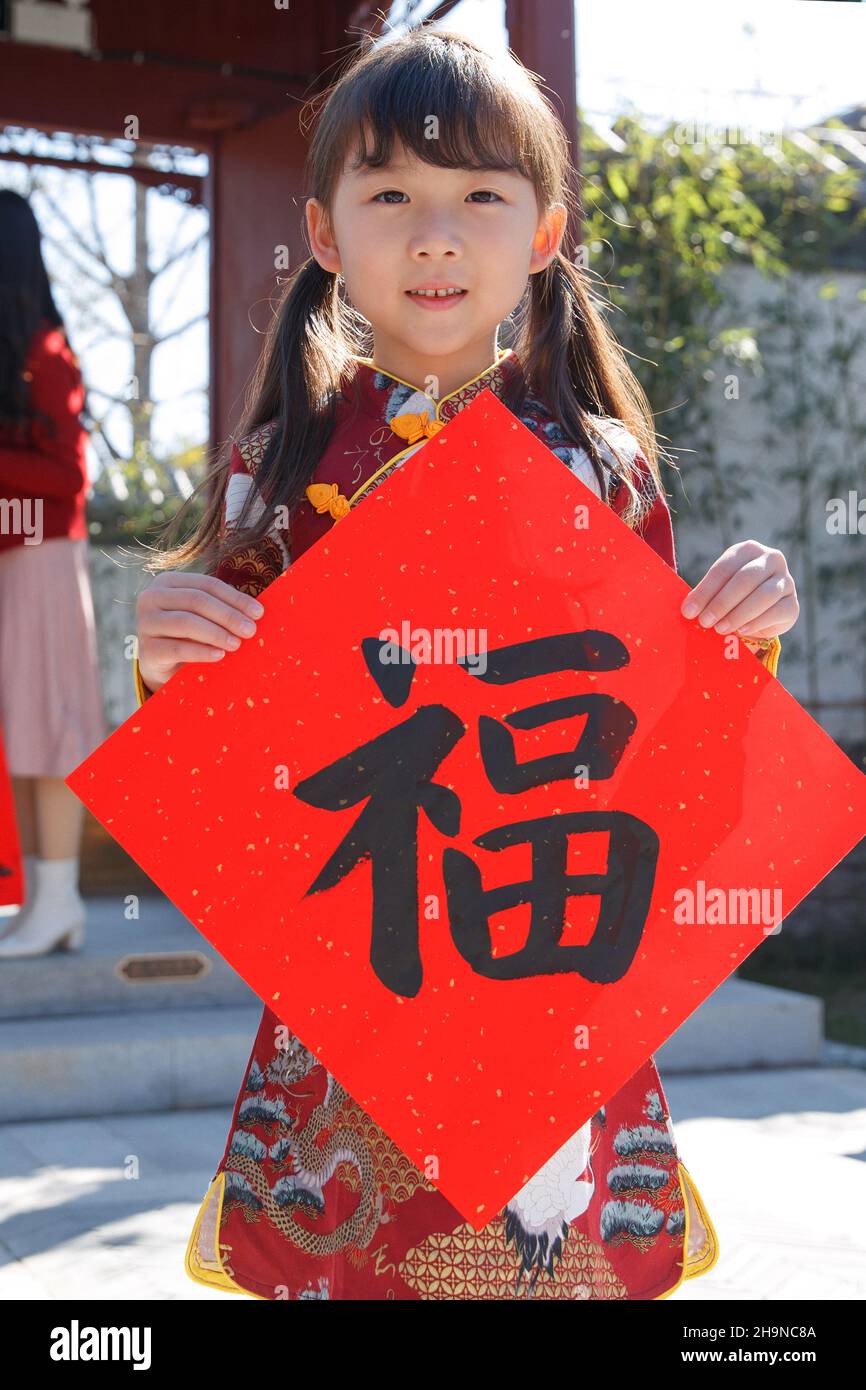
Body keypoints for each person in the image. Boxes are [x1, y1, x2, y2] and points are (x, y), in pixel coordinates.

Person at [133, 28, 798, 1299]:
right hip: (363, 969)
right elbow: (223, 782)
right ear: (325, 235)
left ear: (542, 234)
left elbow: (668, 767)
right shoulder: (275, 474)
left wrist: (736, 644)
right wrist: (173, 664)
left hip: (545, 959)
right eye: (390, 197)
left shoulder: (606, 472)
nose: (435, 236)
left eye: (479, 197)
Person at [0, 190, 105, 958]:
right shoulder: (21, 354)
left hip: (45, 557)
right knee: (28, 733)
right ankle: (46, 901)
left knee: (55, 731)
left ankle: (60, 898)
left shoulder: (45, 351)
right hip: (17, 559)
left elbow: (71, 477)